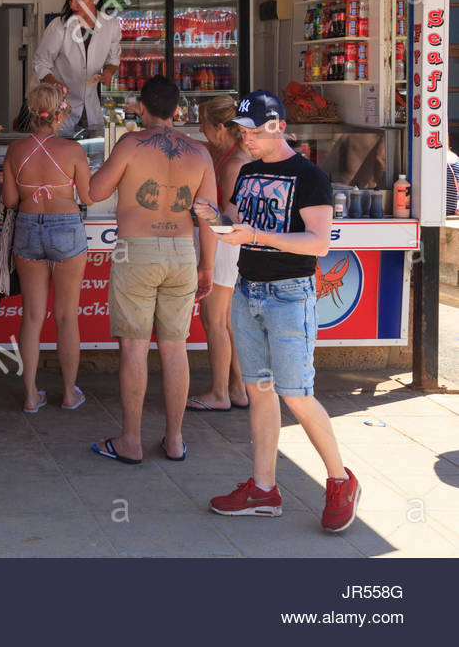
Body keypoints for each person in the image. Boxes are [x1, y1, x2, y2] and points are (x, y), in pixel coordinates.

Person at [210, 90, 359, 532]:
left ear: (277, 127)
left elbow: (319, 243)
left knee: (296, 393)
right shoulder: (250, 171)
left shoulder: (309, 176)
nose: (247, 140)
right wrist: (214, 217)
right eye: (241, 132)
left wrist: (255, 236)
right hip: (248, 289)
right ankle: (264, 489)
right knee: (258, 390)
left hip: (290, 293)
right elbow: (238, 220)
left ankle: (339, 479)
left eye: (254, 132)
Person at [87, 76, 216, 465]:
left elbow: (93, 192)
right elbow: (208, 217)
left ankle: (130, 441)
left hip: (136, 252)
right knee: (176, 348)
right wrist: (207, 265)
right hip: (182, 251)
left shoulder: (130, 144)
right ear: (177, 110)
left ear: (140, 107)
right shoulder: (200, 153)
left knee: (134, 346)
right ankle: (174, 440)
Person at [1, 83, 92, 413]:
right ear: (61, 114)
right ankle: (69, 393)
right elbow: (90, 196)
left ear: (30, 110)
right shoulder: (73, 151)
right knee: (67, 316)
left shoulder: (16, 151)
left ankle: (30, 396)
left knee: (33, 316)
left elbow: (10, 201)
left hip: (27, 227)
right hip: (66, 227)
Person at [188, 95, 251, 412]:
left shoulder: (234, 164)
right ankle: (238, 389)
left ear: (221, 127)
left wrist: (201, 209)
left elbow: (229, 221)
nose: (200, 129)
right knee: (226, 323)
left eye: (204, 124)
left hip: (225, 248)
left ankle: (218, 393)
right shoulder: (230, 153)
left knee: (214, 321)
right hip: (231, 247)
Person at [33, 0, 121, 138]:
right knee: (61, 152)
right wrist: (58, 86)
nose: (72, 5)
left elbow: (113, 59)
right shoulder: (59, 26)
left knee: (94, 155)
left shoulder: (111, 25)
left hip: (91, 108)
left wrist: (108, 72)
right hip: (60, 109)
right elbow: (41, 63)